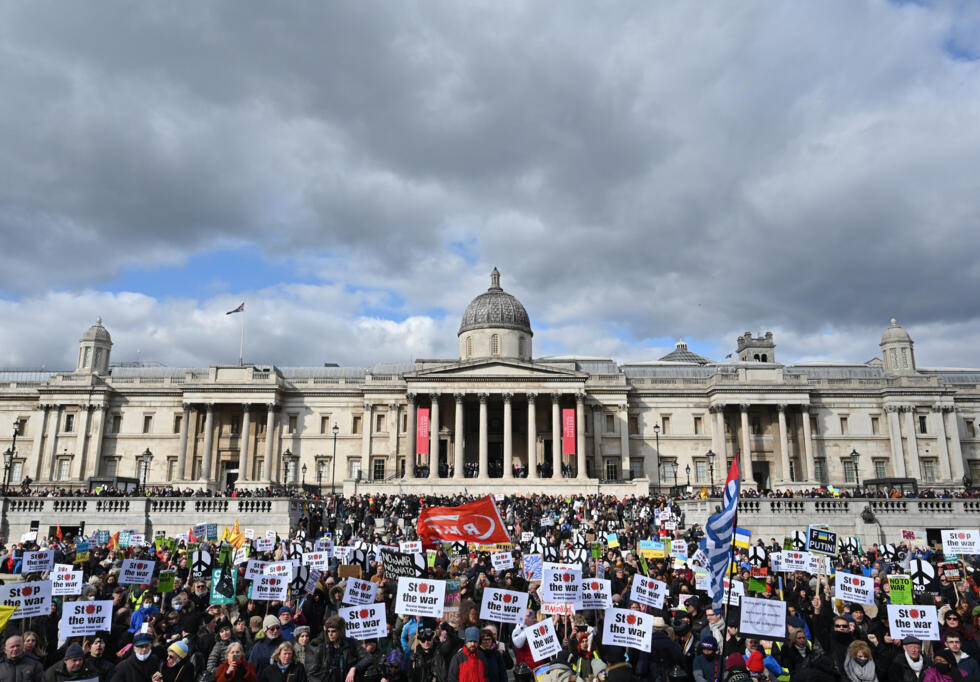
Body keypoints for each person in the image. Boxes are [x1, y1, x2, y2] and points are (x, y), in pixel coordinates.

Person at [307, 616, 367, 682]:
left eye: (333, 631)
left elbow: (367, 658)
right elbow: (311, 674)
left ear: (340, 631)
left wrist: (354, 668)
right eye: (328, 631)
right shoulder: (322, 648)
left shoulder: (352, 643)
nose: (330, 634)